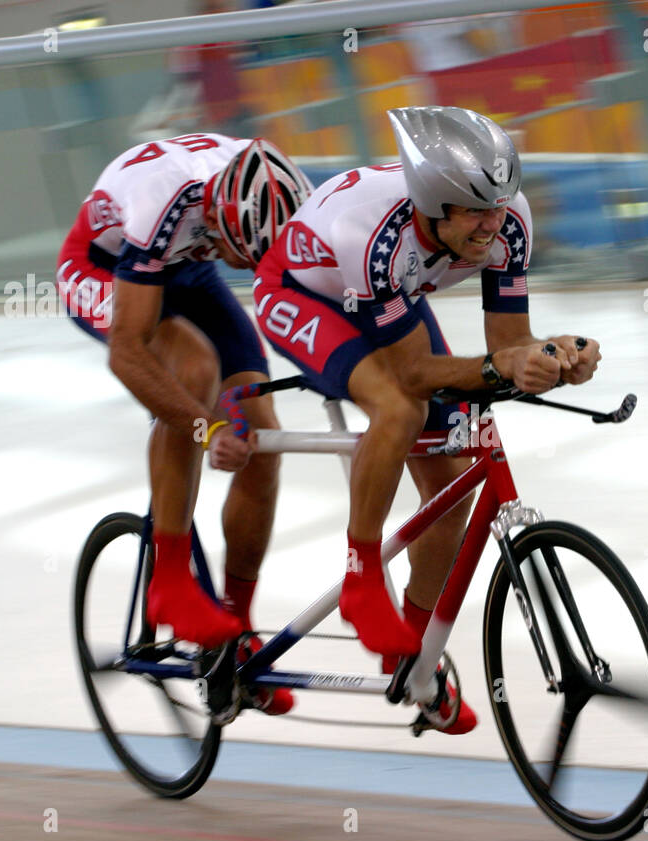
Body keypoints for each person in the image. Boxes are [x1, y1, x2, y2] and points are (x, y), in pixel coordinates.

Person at [251, 106, 601, 733]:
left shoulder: (508, 221)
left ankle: (412, 661)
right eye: (474, 212)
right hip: (303, 292)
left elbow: (509, 342)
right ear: (431, 205)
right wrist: (505, 367)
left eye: (499, 205)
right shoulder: (377, 233)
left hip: (392, 296)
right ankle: (362, 579)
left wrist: (555, 356)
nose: (492, 225)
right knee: (399, 406)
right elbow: (413, 375)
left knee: (450, 488)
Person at [57, 134, 312, 715]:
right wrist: (204, 429)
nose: (246, 267)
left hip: (188, 271)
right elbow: (128, 352)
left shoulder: (273, 186)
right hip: (100, 269)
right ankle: (169, 578)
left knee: (260, 435)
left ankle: (237, 633)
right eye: (239, 252)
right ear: (218, 219)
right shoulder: (160, 200)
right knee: (192, 370)